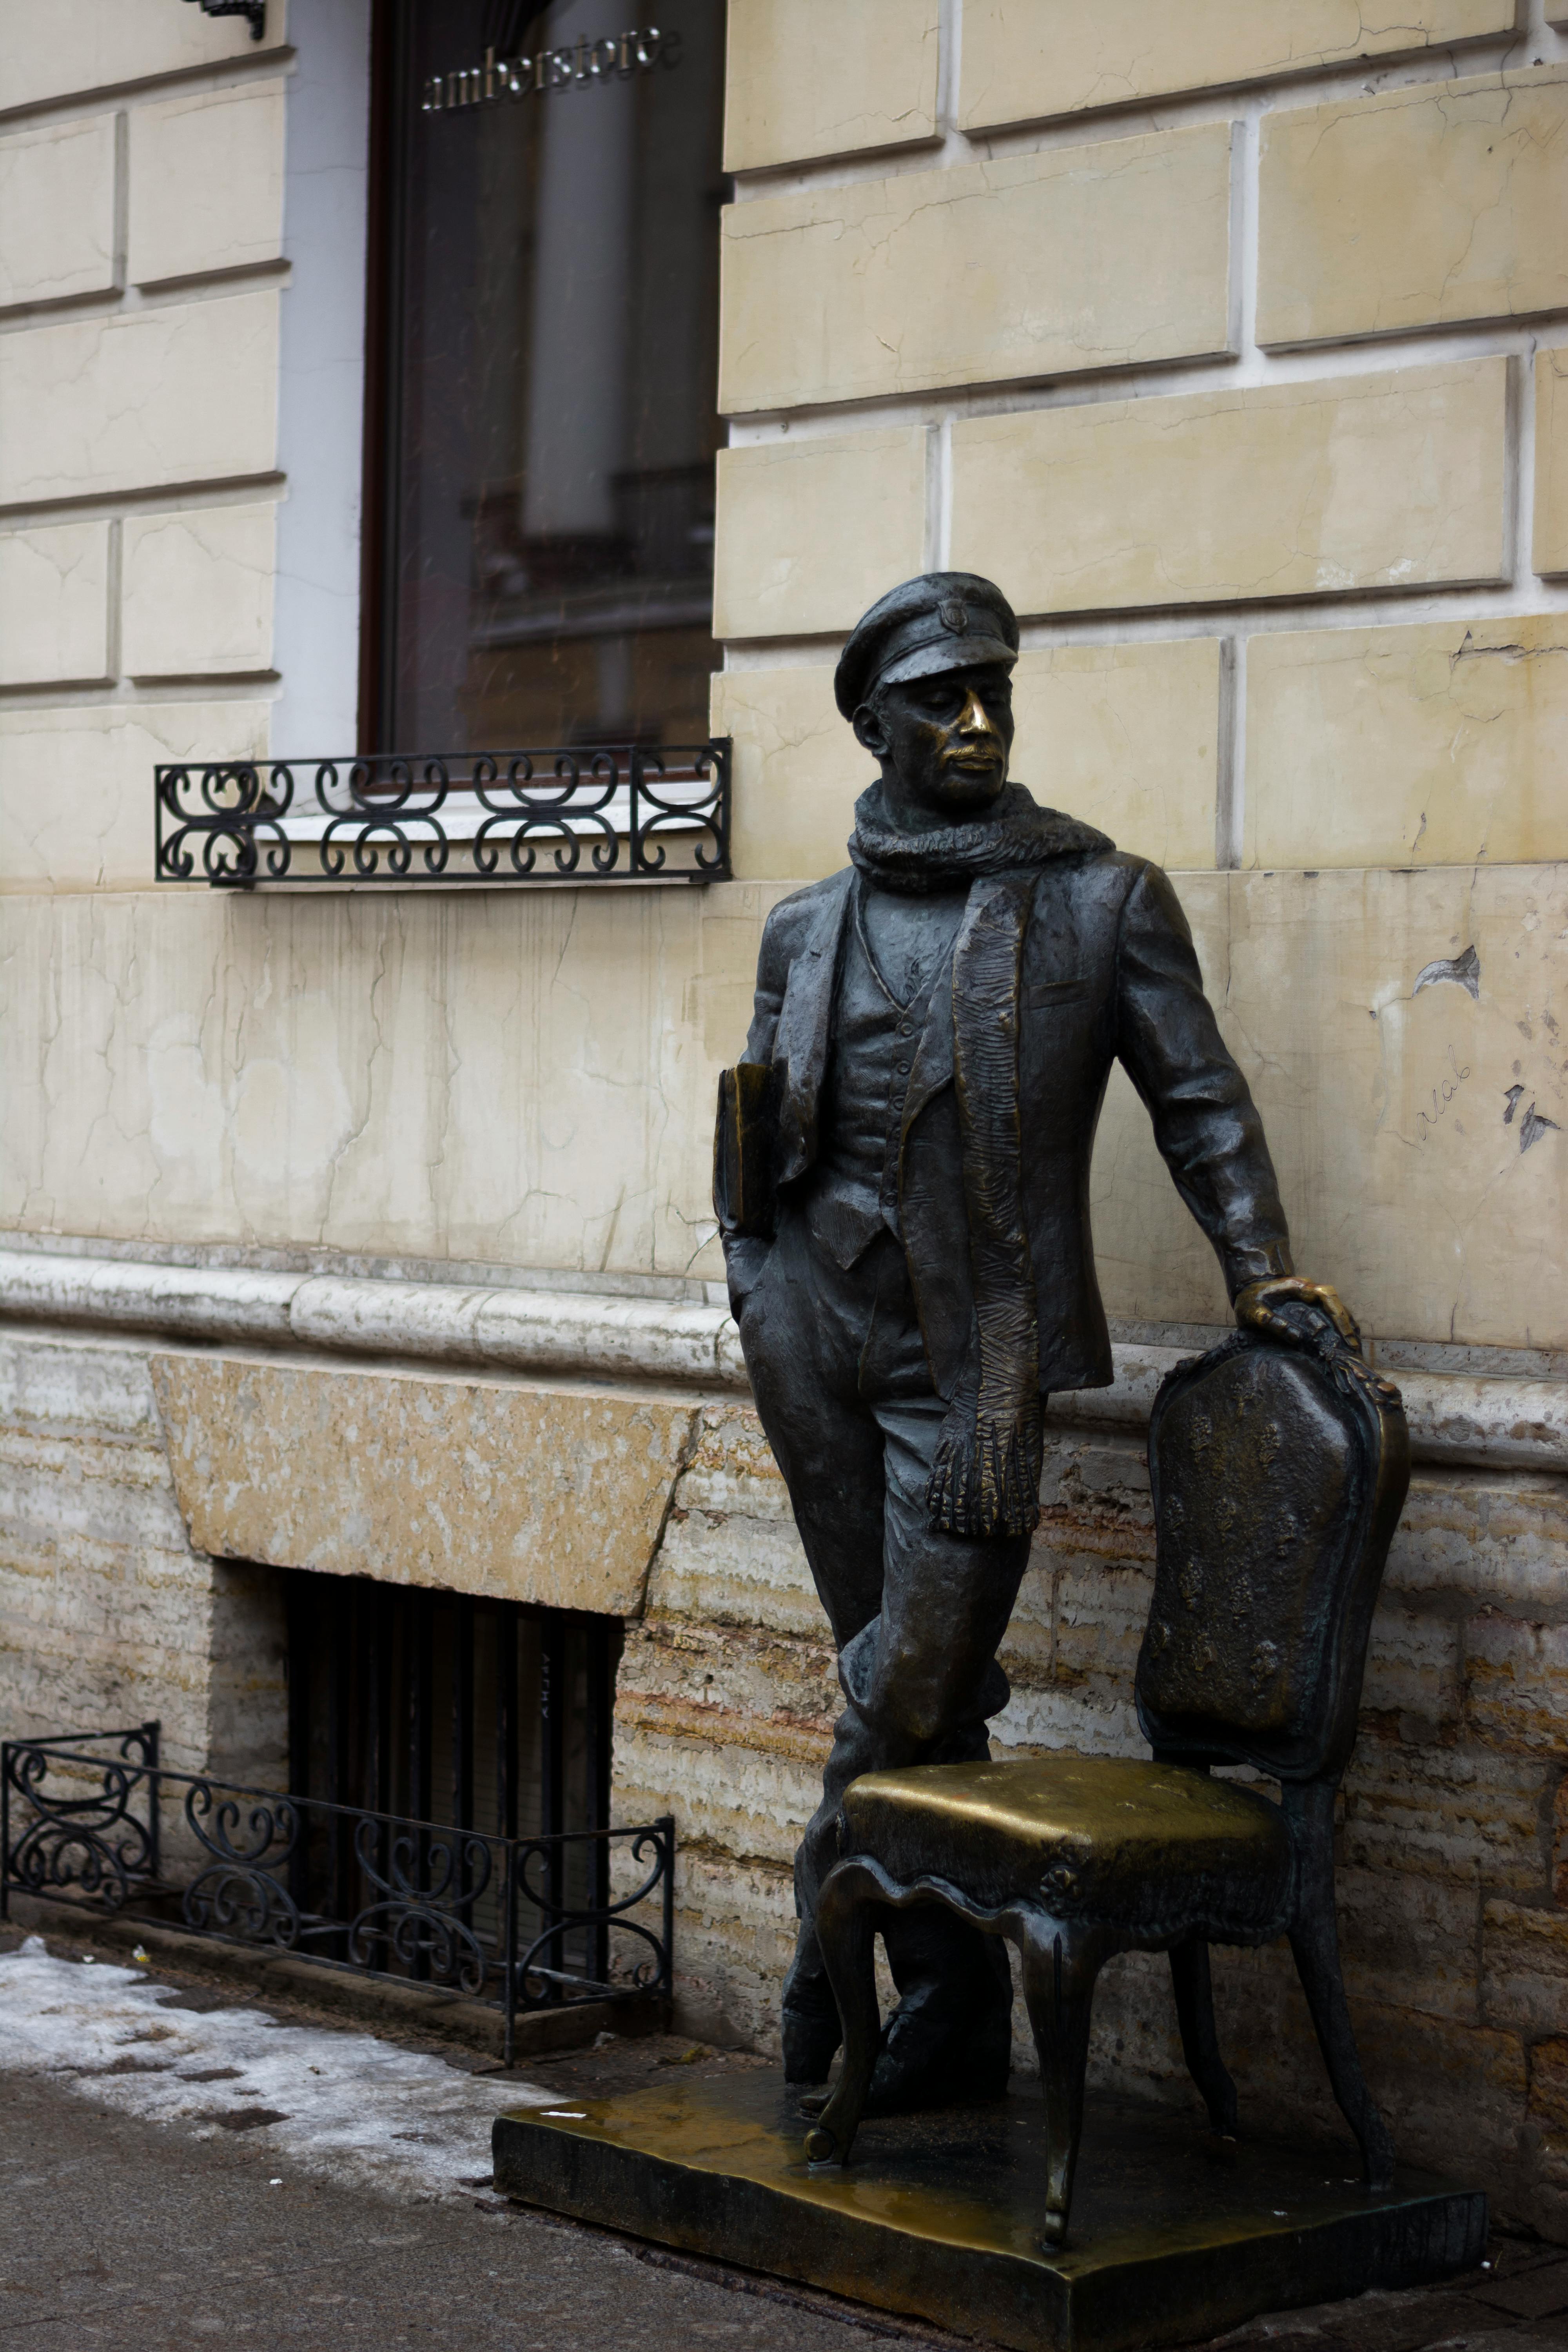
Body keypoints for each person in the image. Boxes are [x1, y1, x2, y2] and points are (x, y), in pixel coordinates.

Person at [714, 572, 1355, 2113]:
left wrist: (1259, 1269)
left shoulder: (1097, 899)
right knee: (918, 1699)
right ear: (874, 724)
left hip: (977, 1368)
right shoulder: (807, 927)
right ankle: (943, 2013)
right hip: (813, 1340)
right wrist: (752, 1288)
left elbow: (1199, 1101)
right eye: (942, 698)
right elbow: (745, 1152)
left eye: (994, 690)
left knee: (906, 1675)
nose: (979, 720)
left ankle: (825, 1923)